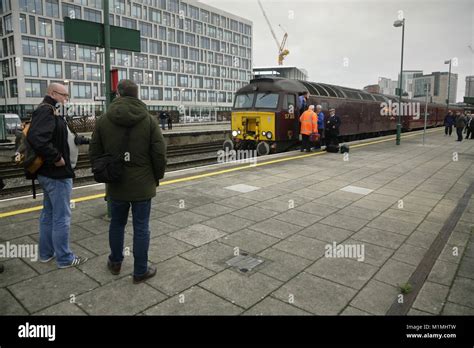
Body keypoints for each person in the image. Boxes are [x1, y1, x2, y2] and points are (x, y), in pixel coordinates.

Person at [89, 80, 167, 284]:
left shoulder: (104, 120)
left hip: (115, 183)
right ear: (136, 94)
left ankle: (115, 262)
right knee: (141, 227)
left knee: (116, 224)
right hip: (142, 185)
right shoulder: (149, 120)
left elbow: (94, 152)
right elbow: (159, 153)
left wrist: (105, 171)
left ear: (118, 94)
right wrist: (156, 177)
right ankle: (140, 271)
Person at [27, 83, 88, 268]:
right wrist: (57, 158)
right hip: (56, 174)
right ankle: (64, 258)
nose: (66, 99)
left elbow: (55, 137)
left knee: (49, 213)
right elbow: (38, 138)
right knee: (61, 217)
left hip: (48, 174)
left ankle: (46, 253)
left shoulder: (51, 110)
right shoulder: (47, 111)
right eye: (64, 95)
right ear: (53, 93)